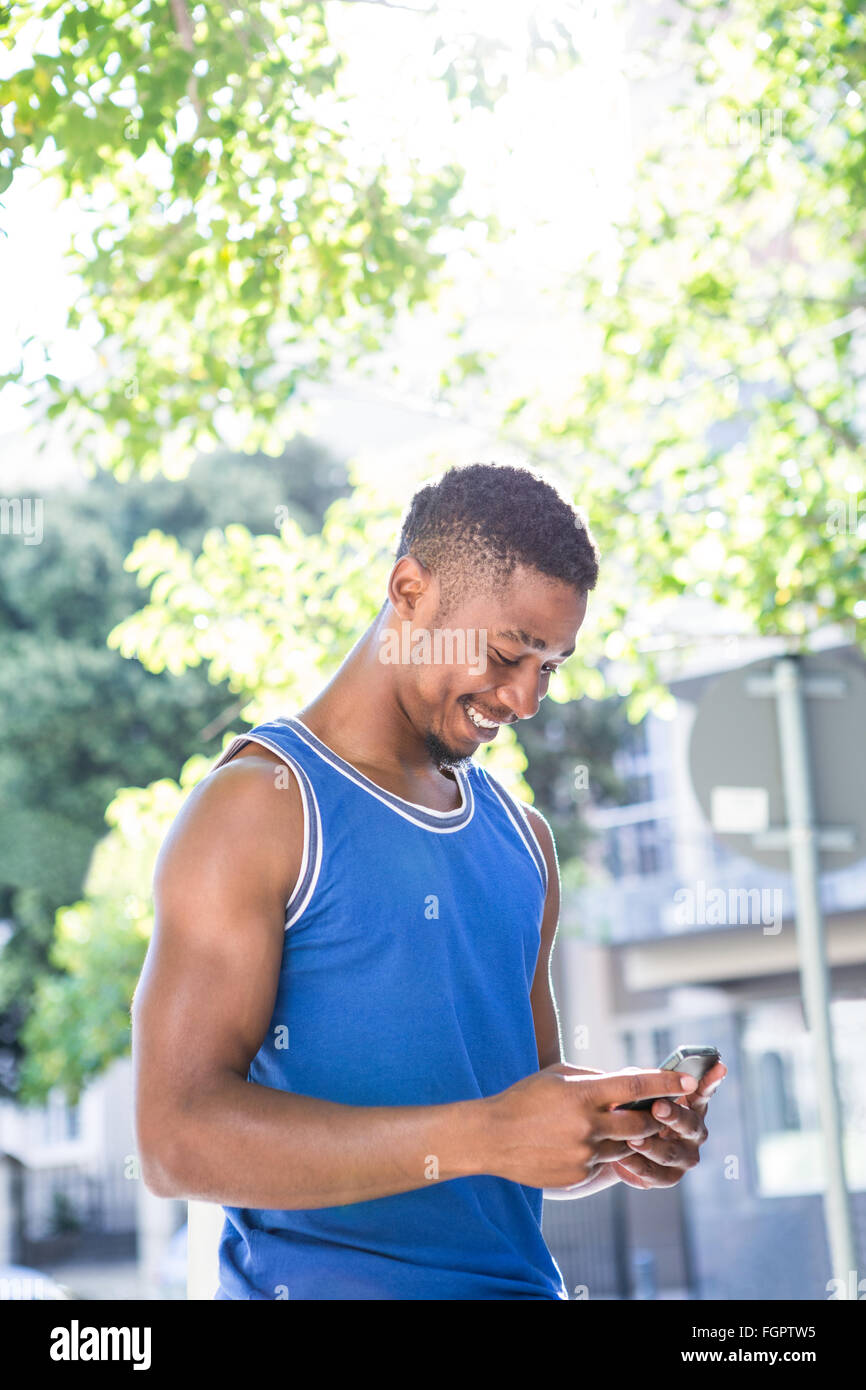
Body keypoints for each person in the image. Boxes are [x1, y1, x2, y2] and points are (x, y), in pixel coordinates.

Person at [132, 461, 726, 1300]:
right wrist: (484, 1134)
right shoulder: (259, 811)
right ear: (409, 590)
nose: (525, 699)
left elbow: (518, 1146)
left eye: (551, 667)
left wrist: (614, 1142)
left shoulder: (525, 842)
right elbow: (174, 1142)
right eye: (506, 654)